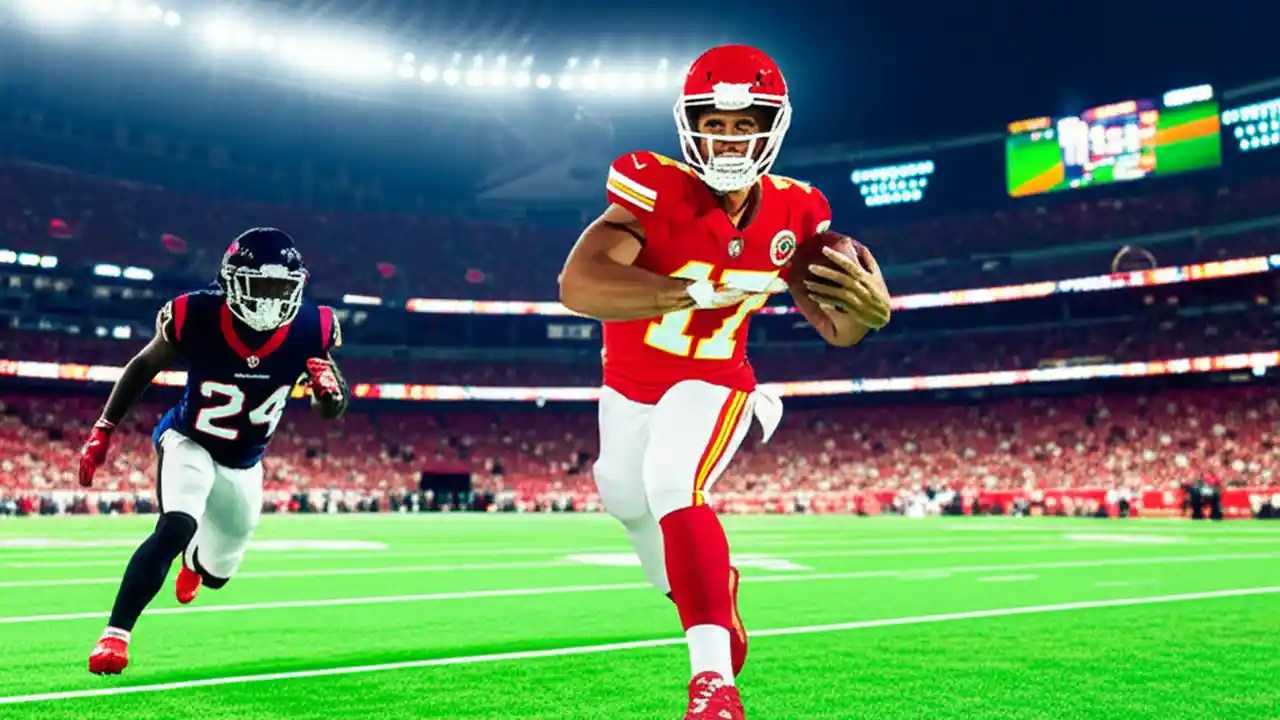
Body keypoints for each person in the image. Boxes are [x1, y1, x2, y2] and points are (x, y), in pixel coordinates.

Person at [558, 44, 892, 719]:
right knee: (623, 496)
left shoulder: (798, 211)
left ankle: (713, 685)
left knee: (672, 481)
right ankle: (712, 600)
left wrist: (871, 316)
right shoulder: (652, 185)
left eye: (745, 125)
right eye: (716, 123)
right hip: (629, 386)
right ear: (693, 127)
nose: (730, 138)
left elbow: (836, 331)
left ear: (773, 127)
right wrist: (686, 291)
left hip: (714, 382)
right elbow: (579, 284)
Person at [78, 228, 349, 675]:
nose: (267, 300)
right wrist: (104, 428)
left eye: (279, 289)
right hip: (191, 440)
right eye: (258, 286)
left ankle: (195, 565)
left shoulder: (310, 329)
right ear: (230, 282)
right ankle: (115, 635)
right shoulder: (198, 314)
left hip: (245, 461)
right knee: (175, 526)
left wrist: (329, 394)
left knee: (218, 575)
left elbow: (328, 409)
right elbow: (144, 364)